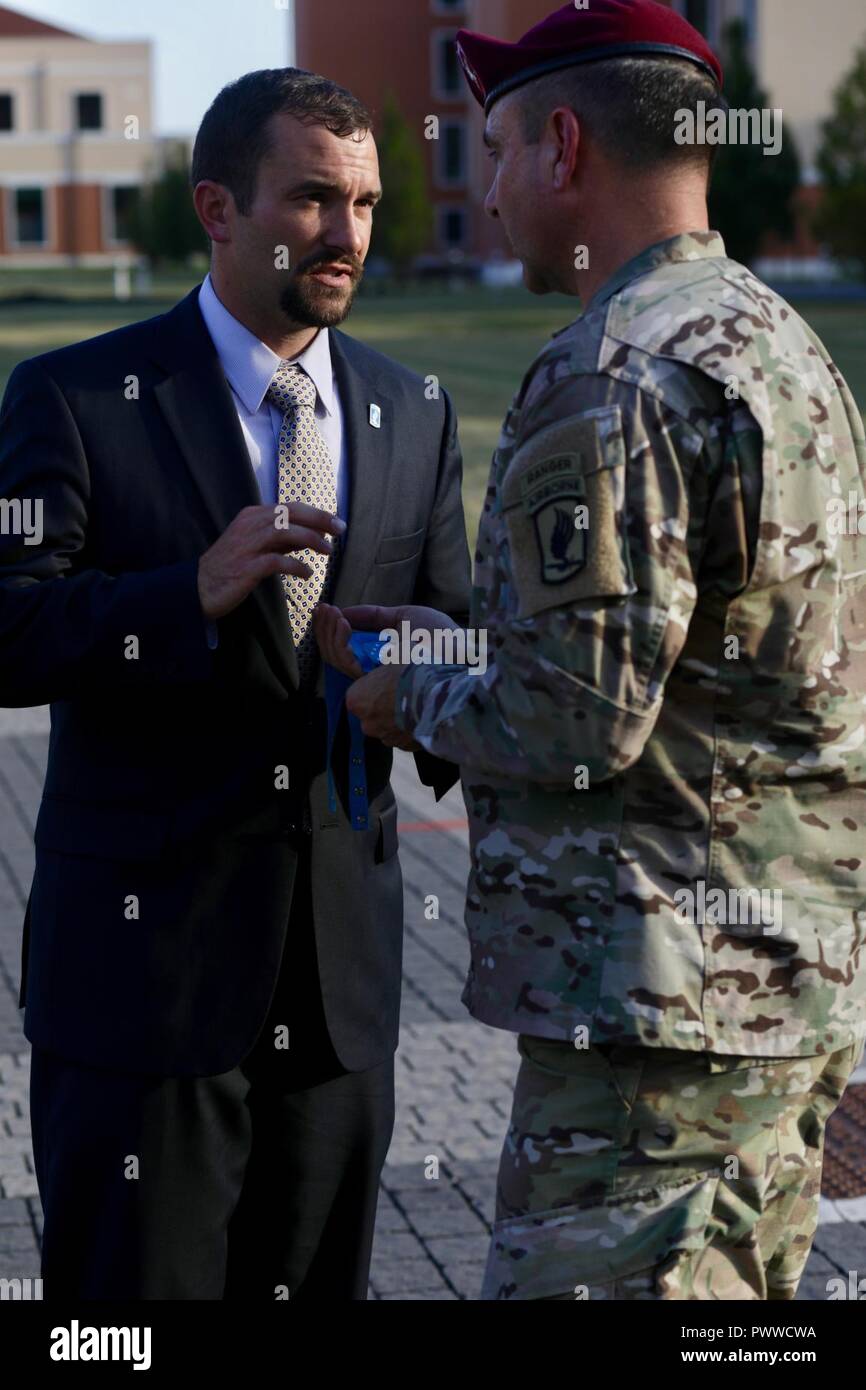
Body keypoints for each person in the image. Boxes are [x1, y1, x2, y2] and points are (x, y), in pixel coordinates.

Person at [318, 0, 866, 1300]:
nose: (490, 188)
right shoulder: (780, 350)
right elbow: (708, 659)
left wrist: (404, 694)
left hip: (650, 1030)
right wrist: (470, 639)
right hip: (780, 991)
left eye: (497, 149)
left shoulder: (607, 373)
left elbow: (573, 720)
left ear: (564, 146)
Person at [0, 68, 471, 1300]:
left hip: (340, 998)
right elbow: (8, 629)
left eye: (364, 201)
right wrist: (178, 595)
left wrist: (424, 660)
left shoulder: (411, 411)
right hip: (142, 996)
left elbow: (458, 640)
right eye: (313, 197)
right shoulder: (72, 395)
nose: (348, 233)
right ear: (217, 207)